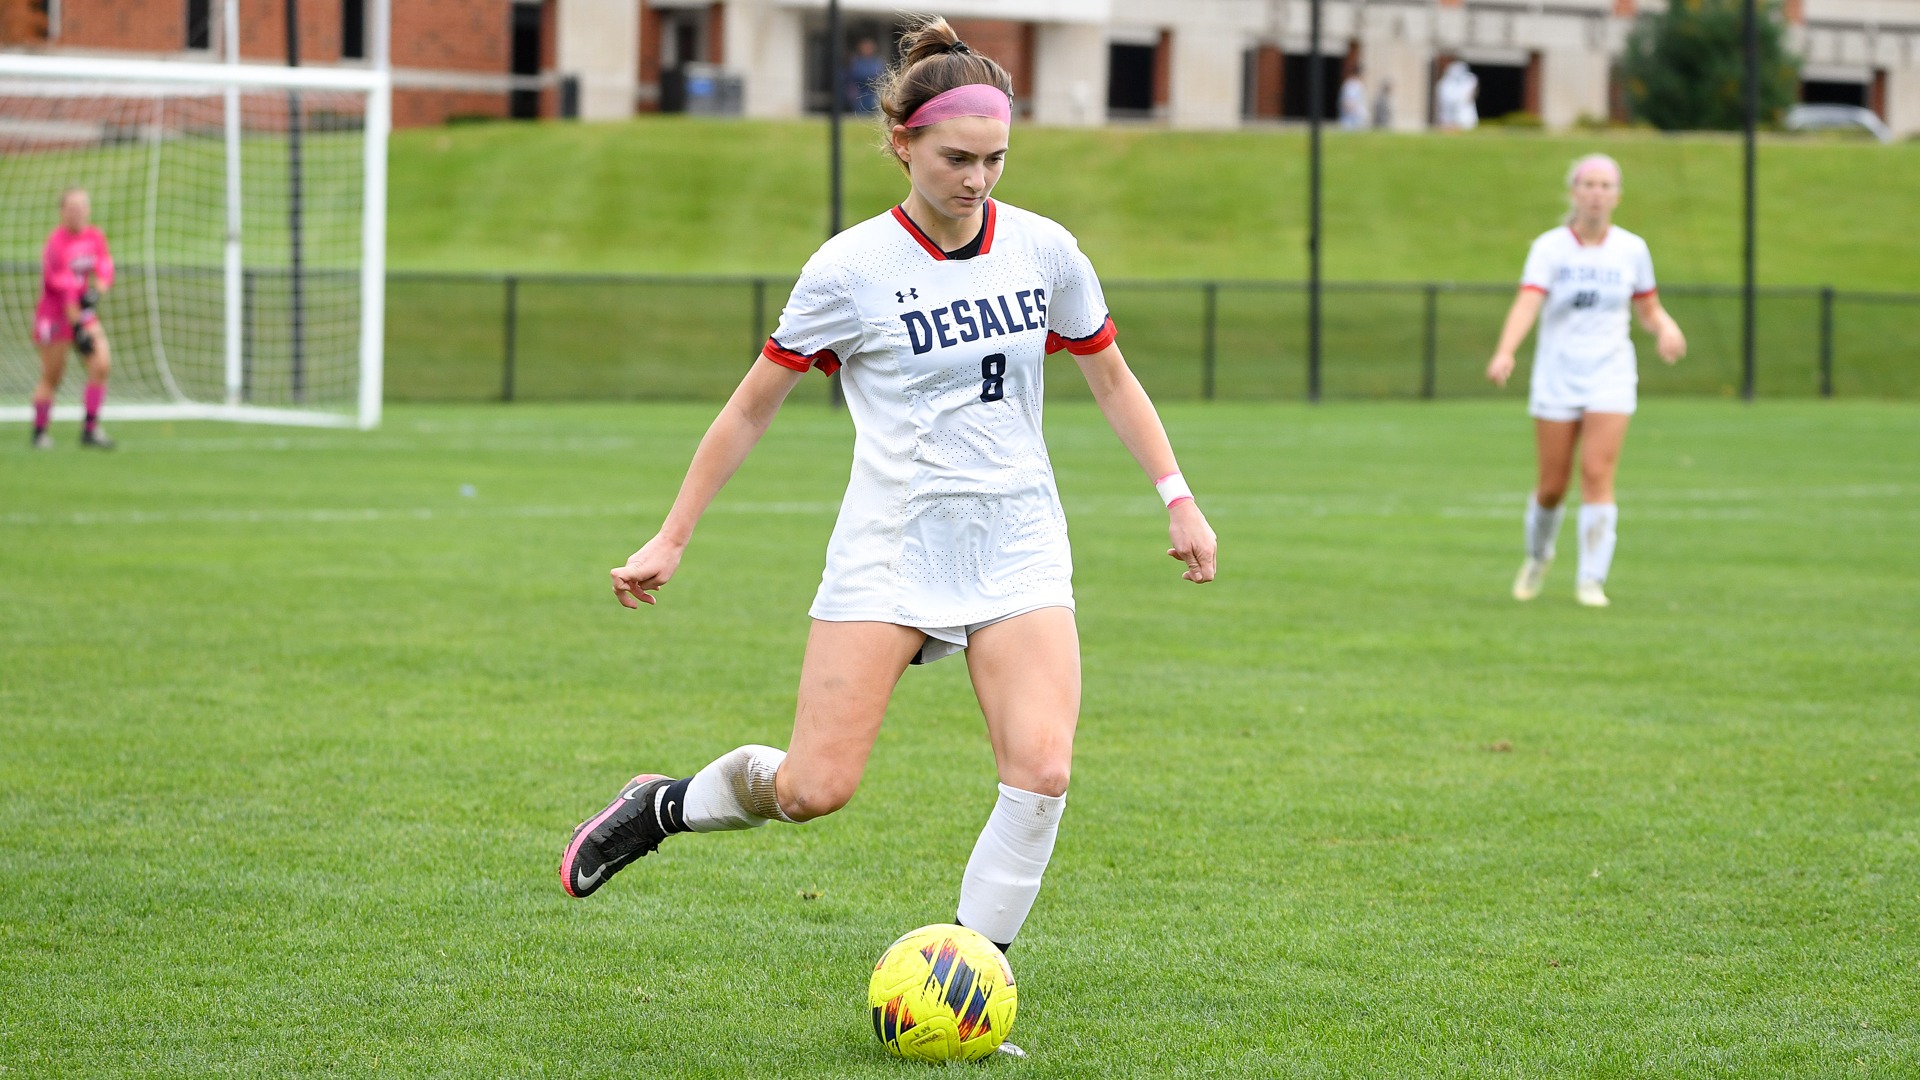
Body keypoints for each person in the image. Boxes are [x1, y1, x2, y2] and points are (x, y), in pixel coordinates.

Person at [559, 14, 1218, 981]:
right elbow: (749, 411)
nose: (978, 179)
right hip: (893, 545)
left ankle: (970, 979)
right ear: (903, 142)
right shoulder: (851, 269)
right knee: (815, 787)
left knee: (1042, 771)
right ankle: (661, 804)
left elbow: (1112, 378)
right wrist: (672, 536)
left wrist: (1178, 497)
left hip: (1017, 542)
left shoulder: (1044, 250)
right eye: (957, 157)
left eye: (996, 158)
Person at [1485, 154, 1686, 607]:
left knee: (1597, 473)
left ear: (1616, 196)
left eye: (1606, 185)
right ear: (1574, 192)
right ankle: (1538, 555)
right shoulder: (1550, 248)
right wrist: (1505, 351)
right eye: (1589, 184)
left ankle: (1591, 579)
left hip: (1611, 372)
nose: (1597, 193)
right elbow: (1527, 304)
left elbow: (1648, 308)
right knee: (1553, 486)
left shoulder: (1632, 249)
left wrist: (1666, 328)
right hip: (1558, 374)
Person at [30, 187, 115, 449]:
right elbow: (64, 288)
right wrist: (77, 327)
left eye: (81, 207)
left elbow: (104, 266)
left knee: (101, 364)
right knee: (53, 375)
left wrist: (97, 290)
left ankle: (90, 430)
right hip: (56, 316)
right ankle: (40, 431)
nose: (77, 213)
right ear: (62, 211)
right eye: (72, 208)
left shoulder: (95, 237)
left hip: (82, 311)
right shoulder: (56, 244)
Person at [1434, 60, 1478, 131]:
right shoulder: (1445, 83)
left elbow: (1469, 94)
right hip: (1449, 108)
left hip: (1462, 107)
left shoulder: (1468, 80)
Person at [845, 36, 885, 113]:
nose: (867, 49)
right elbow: (853, 76)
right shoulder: (855, 61)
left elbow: (879, 76)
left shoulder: (877, 62)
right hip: (859, 93)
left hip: (872, 93)